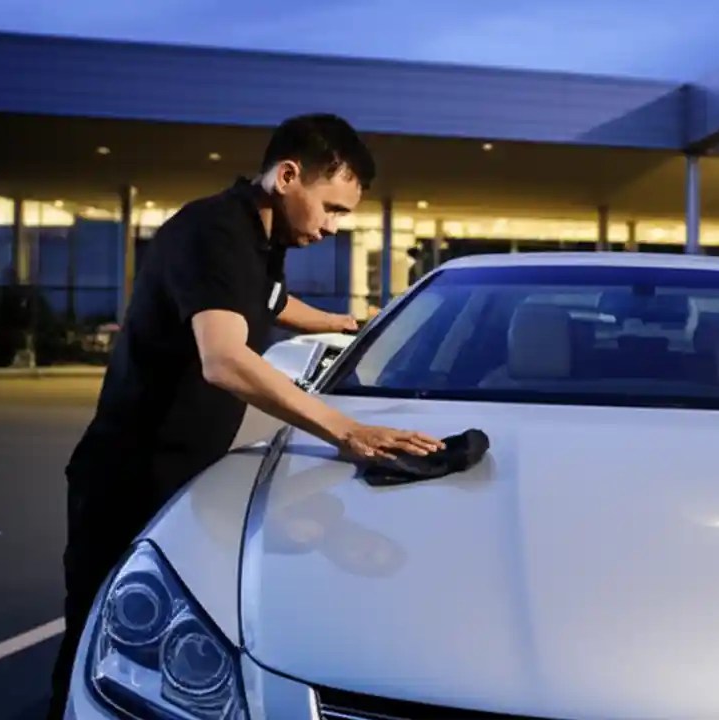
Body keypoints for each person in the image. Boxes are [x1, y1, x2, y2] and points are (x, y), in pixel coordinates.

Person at [47, 113, 443, 717]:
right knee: (101, 651)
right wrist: (347, 430)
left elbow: (272, 303)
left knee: (183, 653)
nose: (335, 227)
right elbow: (225, 361)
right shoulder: (214, 232)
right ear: (288, 176)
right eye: (332, 208)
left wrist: (349, 325)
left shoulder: (259, 241)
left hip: (185, 476)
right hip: (129, 480)